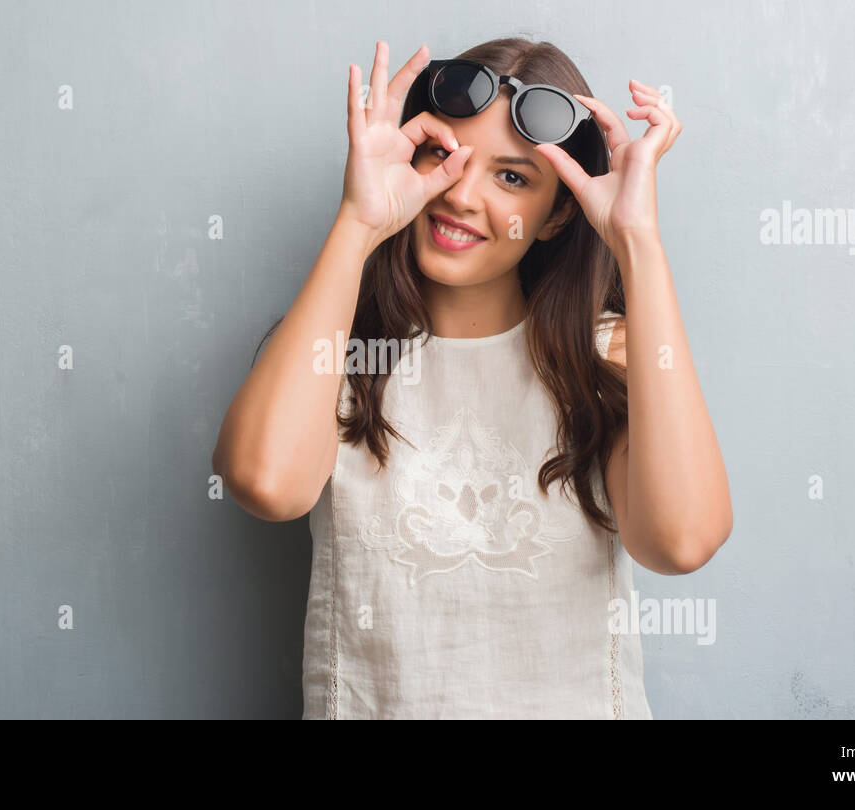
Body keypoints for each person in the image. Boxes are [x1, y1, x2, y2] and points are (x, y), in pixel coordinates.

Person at [212, 37, 733, 719]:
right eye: (444, 154)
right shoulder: (338, 347)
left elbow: (682, 541)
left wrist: (637, 239)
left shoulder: (604, 353)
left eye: (512, 178)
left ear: (556, 217)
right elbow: (263, 484)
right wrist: (359, 220)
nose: (461, 194)